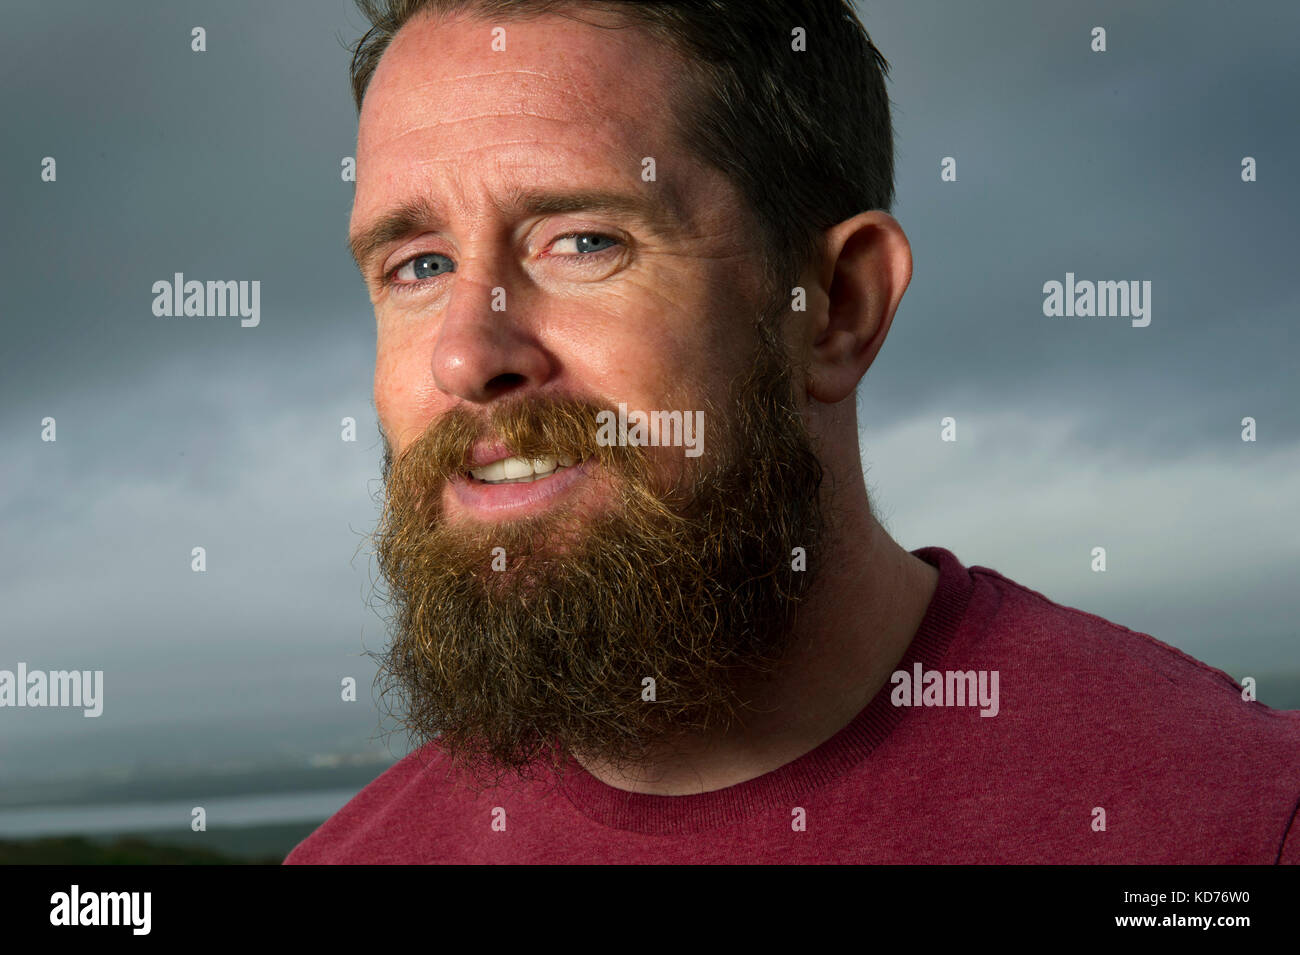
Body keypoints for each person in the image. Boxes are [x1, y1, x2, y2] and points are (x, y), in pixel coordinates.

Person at [285, 0, 1300, 864]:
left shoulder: (1239, 823)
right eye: (417, 265)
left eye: (583, 241)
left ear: (839, 305)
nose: (466, 355)